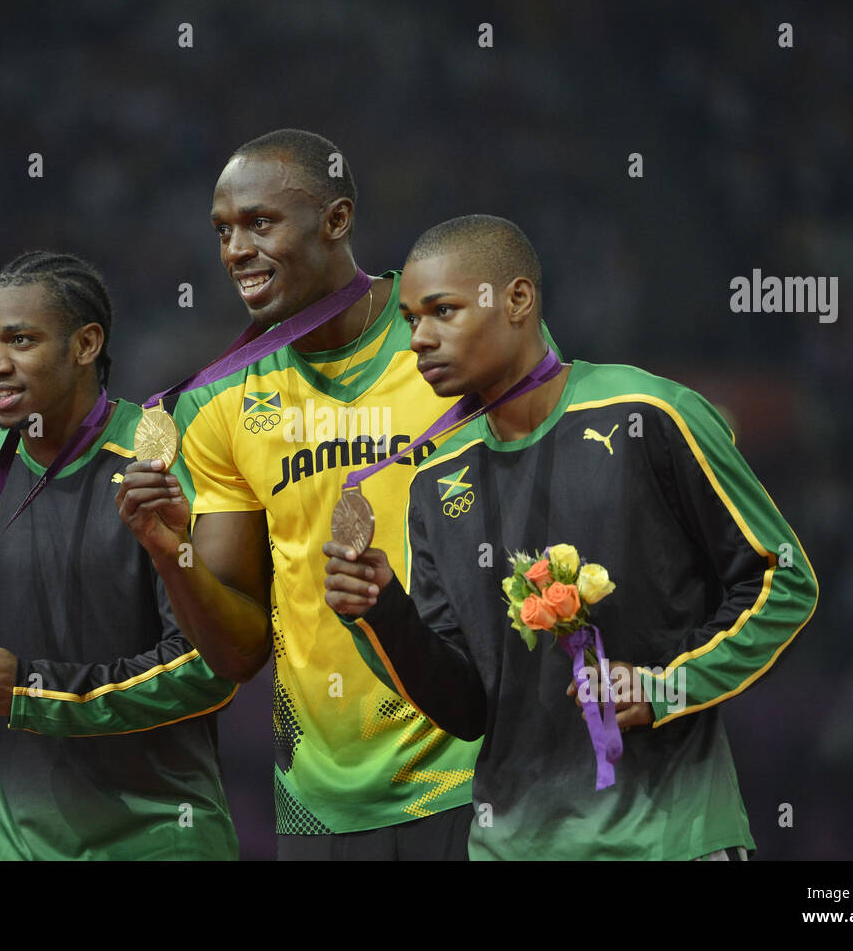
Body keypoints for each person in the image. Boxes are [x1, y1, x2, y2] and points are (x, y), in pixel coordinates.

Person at [323, 215, 820, 860]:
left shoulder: (649, 415)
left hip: (668, 840)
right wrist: (383, 611)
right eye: (411, 320)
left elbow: (782, 580)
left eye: (442, 312)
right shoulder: (436, 479)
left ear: (517, 301)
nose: (419, 339)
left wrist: (667, 686)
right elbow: (469, 707)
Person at [118, 130, 504, 859]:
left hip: (479, 774)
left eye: (260, 223)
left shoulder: (451, 336)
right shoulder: (222, 404)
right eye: (223, 231)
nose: (234, 248)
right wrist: (172, 555)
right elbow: (239, 654)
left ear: (337, 220)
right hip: (322, 810)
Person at [0, 250, 240, 860]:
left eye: (21, 341)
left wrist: (31, 690)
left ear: (85, 345)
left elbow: (205, 669)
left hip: (161, 843)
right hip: (11, 849)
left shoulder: (166, 468)